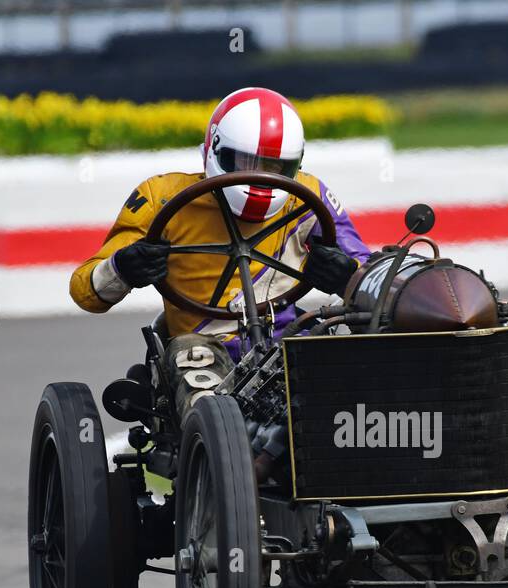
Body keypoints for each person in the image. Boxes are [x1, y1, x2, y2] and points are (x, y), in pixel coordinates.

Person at [70, 87, 369, 417]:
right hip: (198, 344)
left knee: (355, 381)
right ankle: (221, 442)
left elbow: (367, 272)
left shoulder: (310, 195)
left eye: (274, 167)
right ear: (216, 149)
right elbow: (86, 291)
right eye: (246, 161)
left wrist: (345, 275)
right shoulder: (160, 197)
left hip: (289, 337)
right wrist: (123, 268)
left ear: (294, 165)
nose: (259, 176)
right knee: (208, 396)